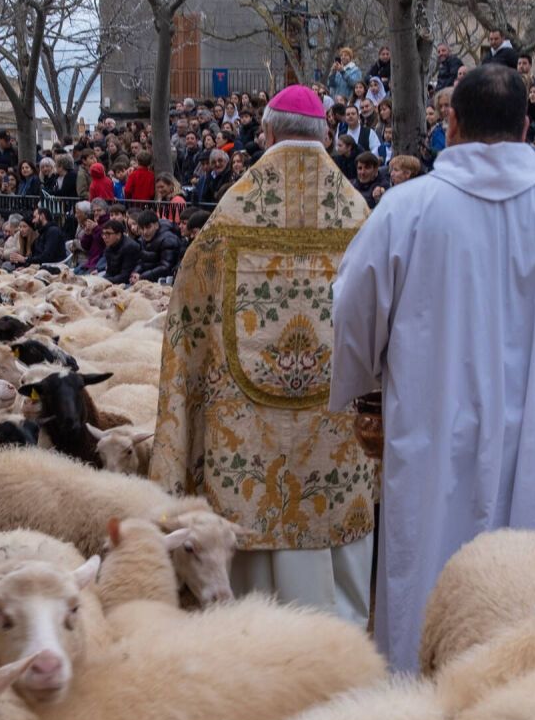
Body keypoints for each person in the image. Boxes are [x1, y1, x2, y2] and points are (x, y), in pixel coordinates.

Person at [328, 62, 535, 670]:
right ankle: (523, 696)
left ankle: (418, 697)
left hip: (432, 434)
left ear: (449, 123)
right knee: (531, 581)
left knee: (427, 567)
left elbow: (352, 307)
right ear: (527, 125)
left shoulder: (407, 208)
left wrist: (366, 381)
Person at [151, 84, 378, 626]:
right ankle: (339, 639)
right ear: (325, 134)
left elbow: (190, 323)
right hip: (334, 422)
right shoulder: (360, 215)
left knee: (249, 598)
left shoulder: (229, 219)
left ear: (269, 132)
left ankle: (249, 633)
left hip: (245, 432)